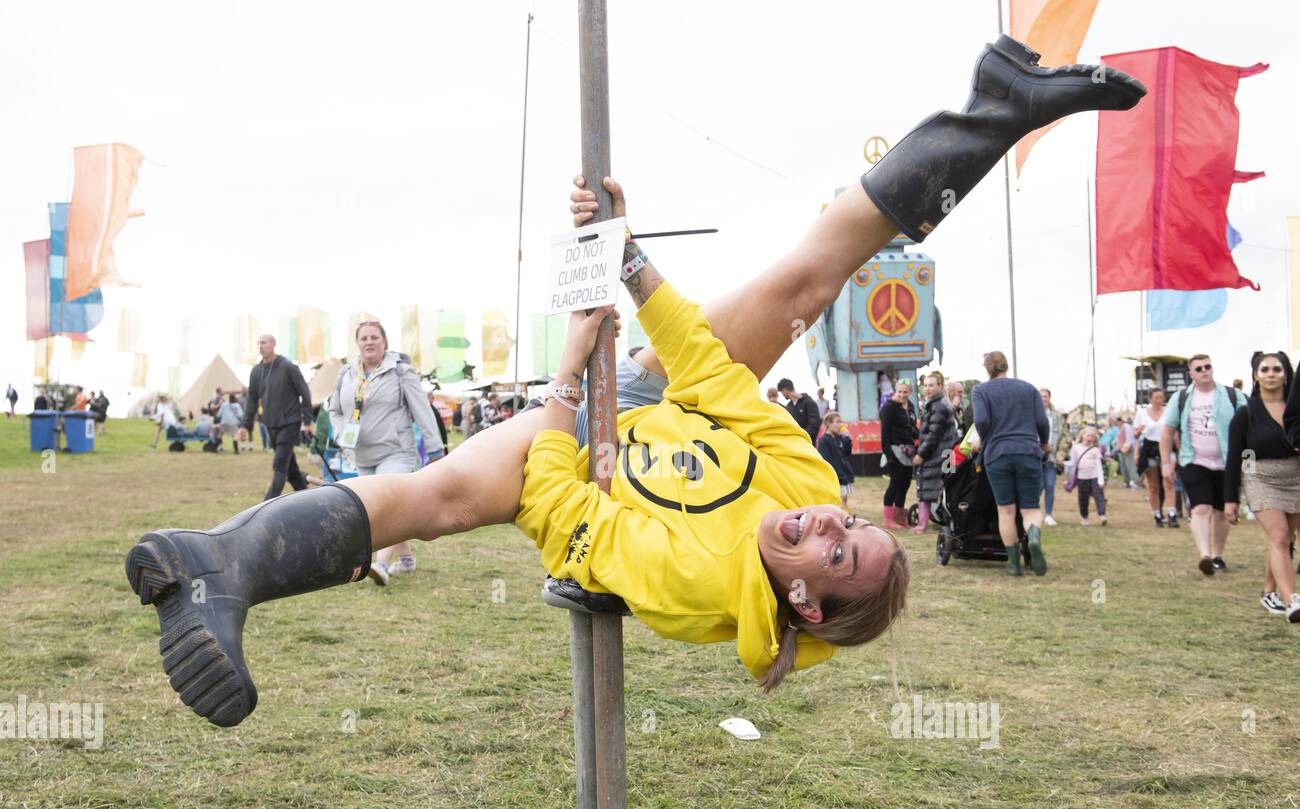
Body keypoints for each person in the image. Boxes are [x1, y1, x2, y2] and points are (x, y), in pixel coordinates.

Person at [125, 34, 1143, 727]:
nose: (832, 524)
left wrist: (567, 380)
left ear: (803, 602)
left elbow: (567, 518)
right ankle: (993, 109)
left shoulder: (699, 585)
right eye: (854, 526)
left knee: (436, 498)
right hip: (666, 403)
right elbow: (712, 371)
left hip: (590, 464)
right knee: (806, 277)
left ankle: (226, 566)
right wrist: (628, 253)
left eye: (837, 552)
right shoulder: (804, 493)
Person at [330, 320, 447, 584]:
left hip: (396, 451)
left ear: (385, 342)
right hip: (362, 454)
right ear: (357, 343)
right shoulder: (346, 374)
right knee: (388, 507)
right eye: (363, 338)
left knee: (384, 507)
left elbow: (422, 410)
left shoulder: (400, 372)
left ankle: (380, 565)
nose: (369, 342)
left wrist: (435, 449)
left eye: (374, 337)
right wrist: (340, 434)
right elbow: (335, 410)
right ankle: (406, 559)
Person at [1226, 352, 1300, 620]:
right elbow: (1237, 457)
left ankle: (1270, 591)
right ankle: (1292, 600)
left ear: (1286, 374)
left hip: (1295, 478)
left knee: (1283, 540)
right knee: (1279, 536)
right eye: (1265, 369)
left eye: (1277, 369)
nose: (1271, 374)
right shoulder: (1246, 414)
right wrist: (1232, 498)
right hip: (1260, 478)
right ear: (1255, 376)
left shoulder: (1297, 410)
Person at [1159, 354, 1243, 575]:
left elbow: (1250, 430)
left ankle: (1217, 555)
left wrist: (1249, 466)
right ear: (1191, 374)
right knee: (1201, 507)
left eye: (1207, 366)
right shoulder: (1181, 398)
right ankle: (1204, 555)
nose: (1204, 371)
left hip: (1227, 463)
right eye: (1199, 368)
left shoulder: (1233, 396)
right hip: (1193, 460)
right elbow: (1167, 433)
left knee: (1220, 511)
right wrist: (1166, 464)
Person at [972, 351, 1051, 575]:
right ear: (1006, 366)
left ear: (987, 368)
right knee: (1030, 509)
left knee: (1005, 511)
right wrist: (1044, 443)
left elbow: (981, 420)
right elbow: (1041, 422)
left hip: (997, 454)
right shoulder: (1028, 389)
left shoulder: (981, 390)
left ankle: (1014, 565)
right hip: (1027, 451)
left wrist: (985, 437)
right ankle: (1033, 535)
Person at [241, 334, 315, 500]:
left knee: (280, 465)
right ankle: (309, 500)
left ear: (273, 345)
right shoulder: (256, 371)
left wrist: (308, 420)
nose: (261, 346)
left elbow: (304, 392)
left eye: (265, 343)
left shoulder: (288, 366)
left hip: (290, 422)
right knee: (291, 471)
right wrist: (244, 425)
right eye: (259, 343)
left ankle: (265, 507)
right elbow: (252, 400)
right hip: (270, 424)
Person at [911, 371, 957, 534]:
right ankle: (941, 521)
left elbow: (933, 434)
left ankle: (922, 525)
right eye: (926, 385)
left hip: (938, 454)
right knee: (945, 489)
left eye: (932, 385)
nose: (928, 389)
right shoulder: (936, 403)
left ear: (940, 386)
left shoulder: (939, 406)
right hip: (945, 453)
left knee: (929, 490)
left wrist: (920, 454)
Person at [1135, 389, 1177, 528]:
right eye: (1156, 397)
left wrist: (1180, 449)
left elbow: (1174, 432)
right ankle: (1157, 514)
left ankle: (1172, 514)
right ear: (1150, 398)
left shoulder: (1169, 411)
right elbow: (1135, 436)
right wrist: (1139, 431)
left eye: (1161, 397)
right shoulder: (1141, 413)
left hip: (1166, 446)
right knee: (1153, 486)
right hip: (1149, 448)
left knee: (1169, 482)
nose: (1159, 400)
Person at [879, 380, 918, 530]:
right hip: (894, 450)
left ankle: (899, 518)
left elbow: (912, 427)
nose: (902, 395)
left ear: (910, 392)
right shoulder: (889, 407)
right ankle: (888, 520)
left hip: (909, 450)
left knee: (905, 484)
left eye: (905, 392)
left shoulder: (911, 407)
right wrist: (888, 454)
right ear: (896, 391)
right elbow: (885, 433)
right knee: (895, 484)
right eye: (899, 391)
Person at [1039, 388, 1070, 526]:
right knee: (1037, 487)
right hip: (1035, 457)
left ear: (1049, 398)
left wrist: (1061, 454)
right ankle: (1032, 513)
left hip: (1051, 457)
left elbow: (1065, 437)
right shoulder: (1031, 414)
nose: (1043, 399)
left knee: (1050, 485)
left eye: (1045, 396)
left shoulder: (1057, 416)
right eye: (1040, 396)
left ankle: (1049, 515)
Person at [1069, 426, 1107, 525]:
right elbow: (1073, 462)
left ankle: (1102, 515)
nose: (1090, 438)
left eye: (1092, 436)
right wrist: (1063, 463)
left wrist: (1101, 480)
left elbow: (1099, 466)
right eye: (1088, 435)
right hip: (1082, 477)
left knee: (1099, 496)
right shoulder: (1076, 448)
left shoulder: (1095, 449)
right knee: (1083, 498)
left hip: (1094, 476)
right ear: (1083, 435)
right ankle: (1084, 516)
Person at [817, 412, 855, 511]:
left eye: (840, 422)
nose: (840, 424)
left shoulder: (839, 437)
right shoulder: (823, 440)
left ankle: (845, 512)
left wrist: (847, 439)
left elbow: (847, 453)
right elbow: (828, 460)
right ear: (829, 423)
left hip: (844, 473)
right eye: (837, 422)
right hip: (836, 476)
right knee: (839, 499)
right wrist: (840, 475)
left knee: (845, 497)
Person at [777, 378, 821, 443]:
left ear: (785, 390)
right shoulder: (789, 406)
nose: (783, 394)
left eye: (782, 392)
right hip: (795, 443)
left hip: (808, 444)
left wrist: (803, 437)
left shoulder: (809, 402)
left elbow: (814, 424)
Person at [1115, 414, 1138, 488]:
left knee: (1130, 466)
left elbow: (1130, 438)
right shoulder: (1119, 428)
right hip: (1121, 450)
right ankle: (1126, 482)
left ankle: (1135, 481)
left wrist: (1127, 447)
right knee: (1123, 466)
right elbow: (1119, 441)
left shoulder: (1126, 426)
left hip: (1128, 449)